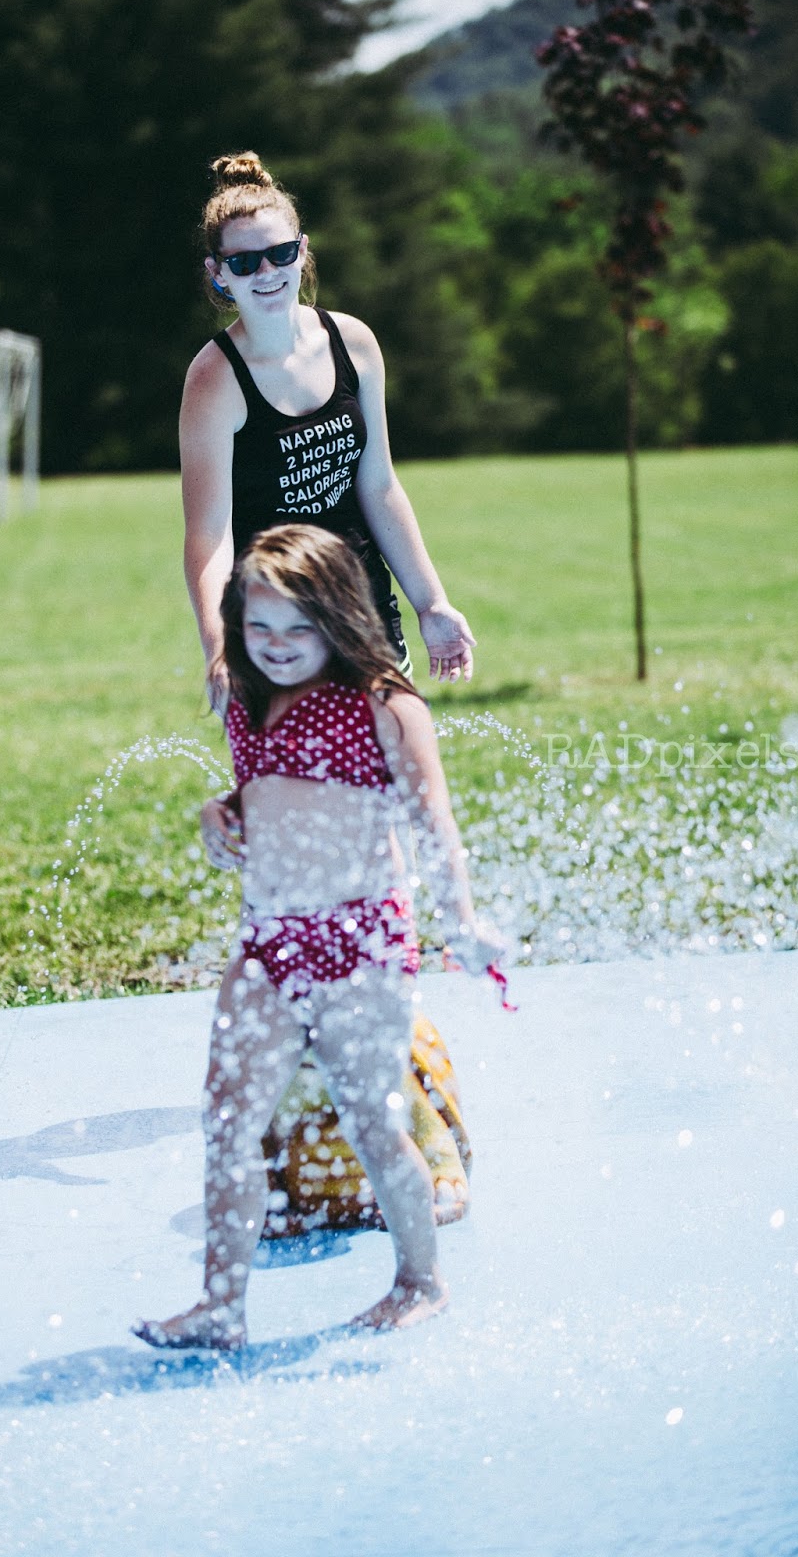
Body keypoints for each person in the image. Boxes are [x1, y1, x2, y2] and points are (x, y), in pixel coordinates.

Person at [134, 526, 505, 1349]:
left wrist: (464, 920)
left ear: (338, 616)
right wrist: (219, 814)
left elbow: (431, 818)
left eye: (297, 630)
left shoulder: (385, 701)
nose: (276, 647)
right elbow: (263, 789)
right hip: (272, 939)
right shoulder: (244, 692)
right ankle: (221, 1307)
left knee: (373, 1123)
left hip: (362, 943)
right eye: (259, 628)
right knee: (227, 1118)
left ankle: (420, 1279)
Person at [182, 149, 476, 714]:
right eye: (243, 263)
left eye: (279, 254)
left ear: (302, 251)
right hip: (273, 629)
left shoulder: (355, 343)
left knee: (392, 785)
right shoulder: (214, 380)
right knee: (292, 795)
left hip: (362, 607)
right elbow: (208, 536)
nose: (266, 273)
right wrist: (220, 649)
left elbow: (379, 485)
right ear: (217, 274)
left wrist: (432, 603)